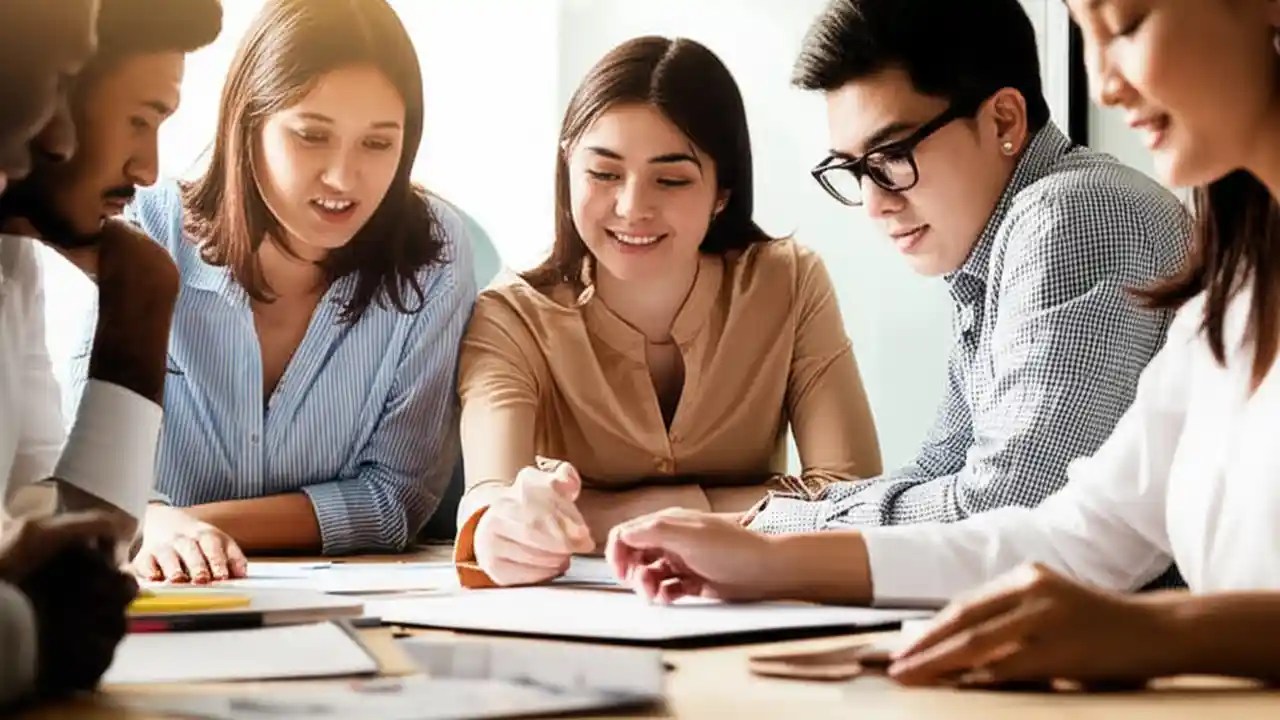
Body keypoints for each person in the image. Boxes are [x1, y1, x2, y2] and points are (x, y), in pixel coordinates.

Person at [609, 0, 1280, 689]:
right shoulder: (1231, 304)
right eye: (1088, 39)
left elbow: (1013, 500)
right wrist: (769, 553)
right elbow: (1070, 534)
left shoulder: (1067, 213)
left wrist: (1160, 637)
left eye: (1131, 26)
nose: (1106, 84)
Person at [731, 0, 1189, 537]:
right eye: (853, 169)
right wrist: (762, 524)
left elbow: (1011, 506)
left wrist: (783, 528)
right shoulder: (991, 252)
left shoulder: (1070, 214)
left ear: (1004, 120)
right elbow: (940, 469)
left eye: (893, 155)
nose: (874, 203)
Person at [453, 36, 882, 588]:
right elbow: (491, 499)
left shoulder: (790, 284)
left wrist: (601, 514)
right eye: (604, 174)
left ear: (722, 192)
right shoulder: (510, 316)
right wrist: (497, 528)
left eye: (672, 179)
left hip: (746, 609)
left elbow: (853, 498)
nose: (632, 207)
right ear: (568, 169)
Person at [74, 0, 475, 583]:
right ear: (247, 122)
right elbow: (79, 475)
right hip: (150, 593)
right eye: (312, 136)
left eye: (378, 144)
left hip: (355, 600)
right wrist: (146, 523)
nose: (343, 178)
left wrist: (171, 523)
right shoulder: (141, 231)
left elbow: (395, 498)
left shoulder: (434, 254)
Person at [0, 0, 221, 705]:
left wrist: (141, 307)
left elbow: (76, 552)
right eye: (140, 118)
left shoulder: (14, 264)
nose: (149, 168)